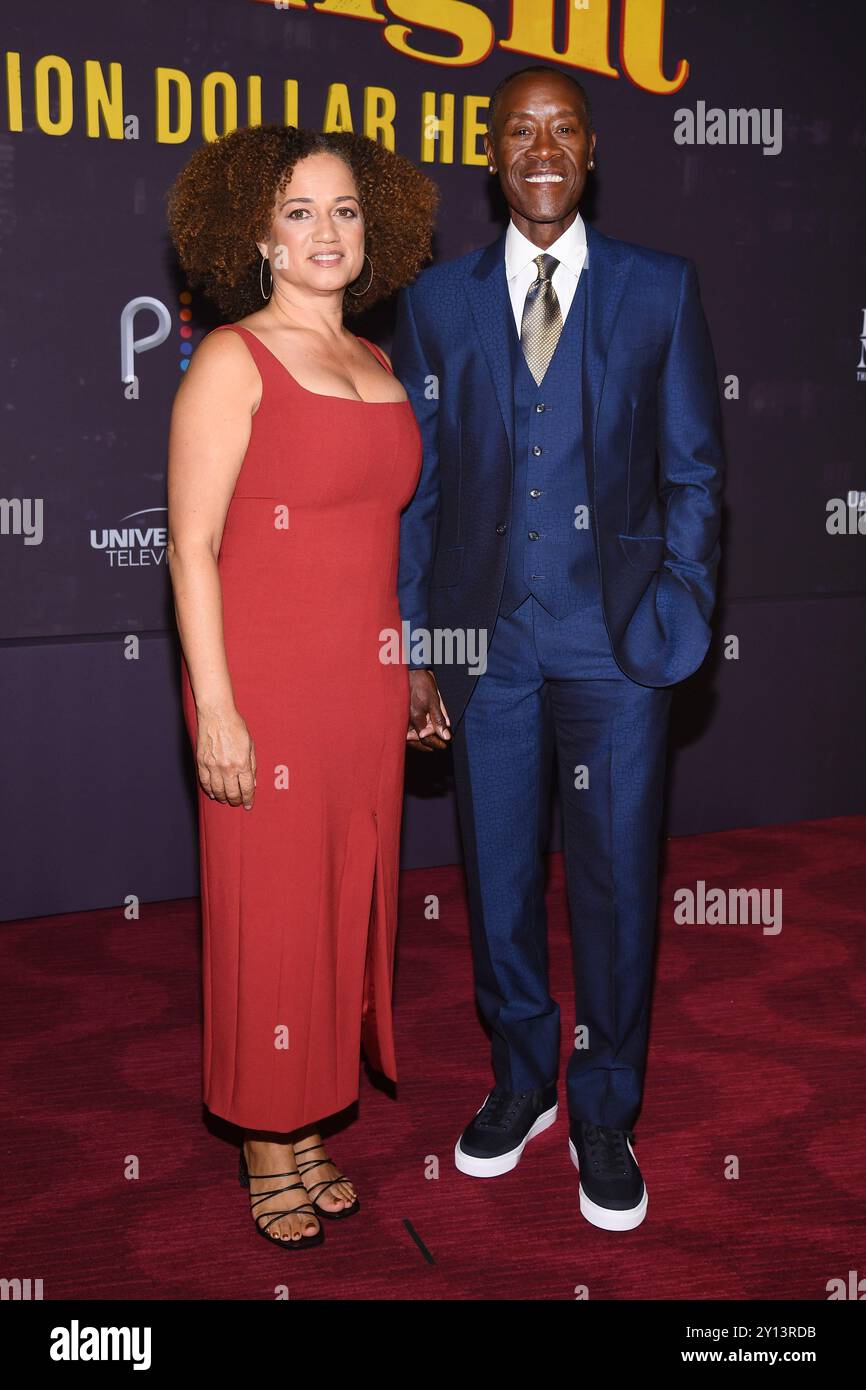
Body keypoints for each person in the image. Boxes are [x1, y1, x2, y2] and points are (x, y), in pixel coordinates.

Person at [393, 65, 724, 1231]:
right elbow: (417, 494)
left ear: (590, 151)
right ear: (491, 158)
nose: (541, 148)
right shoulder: (437, 303)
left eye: (561, 129)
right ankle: (521, 1075)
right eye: (517, 131)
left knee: (617, 888)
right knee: (493, 882)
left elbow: (692, 473)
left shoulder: (658, 290)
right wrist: (417, 649)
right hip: (488, 651)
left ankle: (602, 1109)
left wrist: (674, 616)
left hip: (616, 653)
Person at [165, 125, 437, 1248]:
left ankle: (310, 1116)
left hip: (360, 686)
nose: (326, 232)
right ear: (259, 238)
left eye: (344, 211)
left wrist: (408, 663)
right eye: (298, 212)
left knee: (342, 901)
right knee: (271, 913)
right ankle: (263, 1143)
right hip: (262, 685)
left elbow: (378, 540)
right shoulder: (235, 357)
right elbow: (191, 548)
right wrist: (217, 707)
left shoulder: (372, 363)